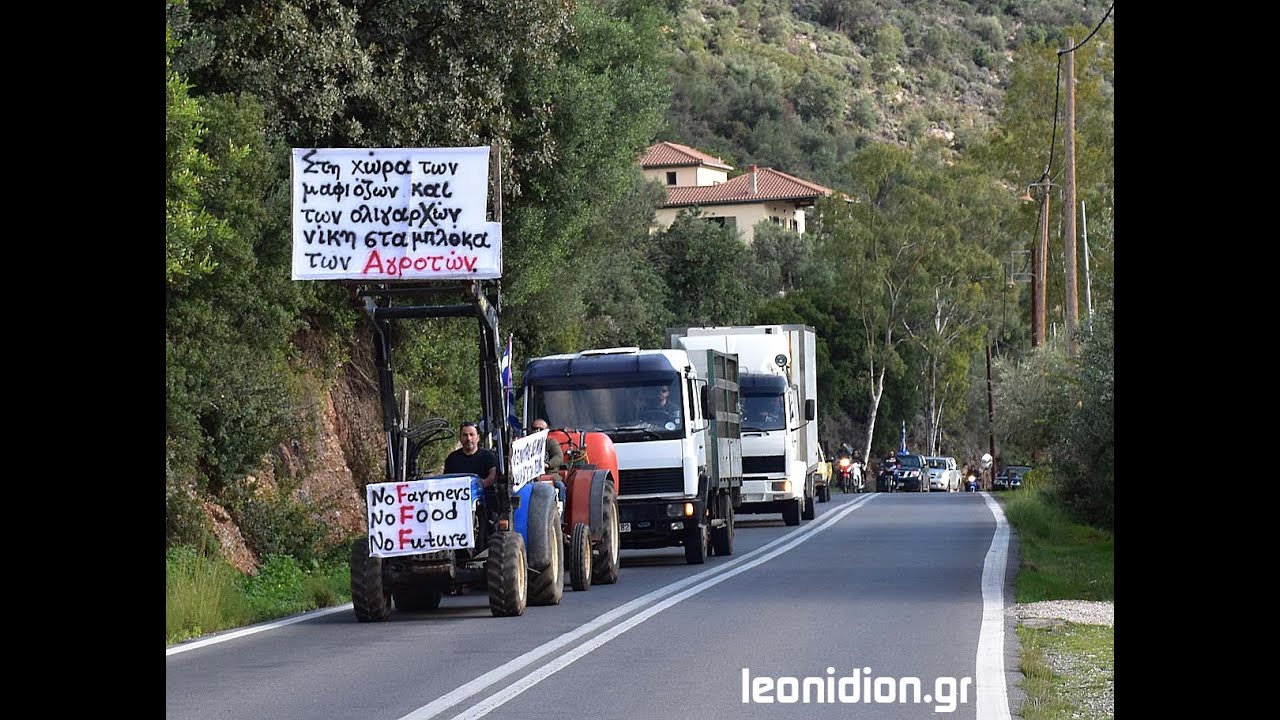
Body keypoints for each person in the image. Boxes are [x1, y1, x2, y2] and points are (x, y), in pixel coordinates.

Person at [443, 421, 499, 488]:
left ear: (478, 437)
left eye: (471, 435)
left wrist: (483, 484)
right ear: (460, 438)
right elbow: (446, 481)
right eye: (465, 435)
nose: (468, 438)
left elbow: (493, 474)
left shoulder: (488, 456)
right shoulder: (452, 459)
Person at [530, 418, 568, 503]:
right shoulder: (525, 445)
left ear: (546, 431)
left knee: (560, 486)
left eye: (540, 429)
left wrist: (547, 464)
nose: (537, 431)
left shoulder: (551, 443)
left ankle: (560, 511)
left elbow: (558, 457)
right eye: (534, 428)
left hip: (549, 475)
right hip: (530, 478)